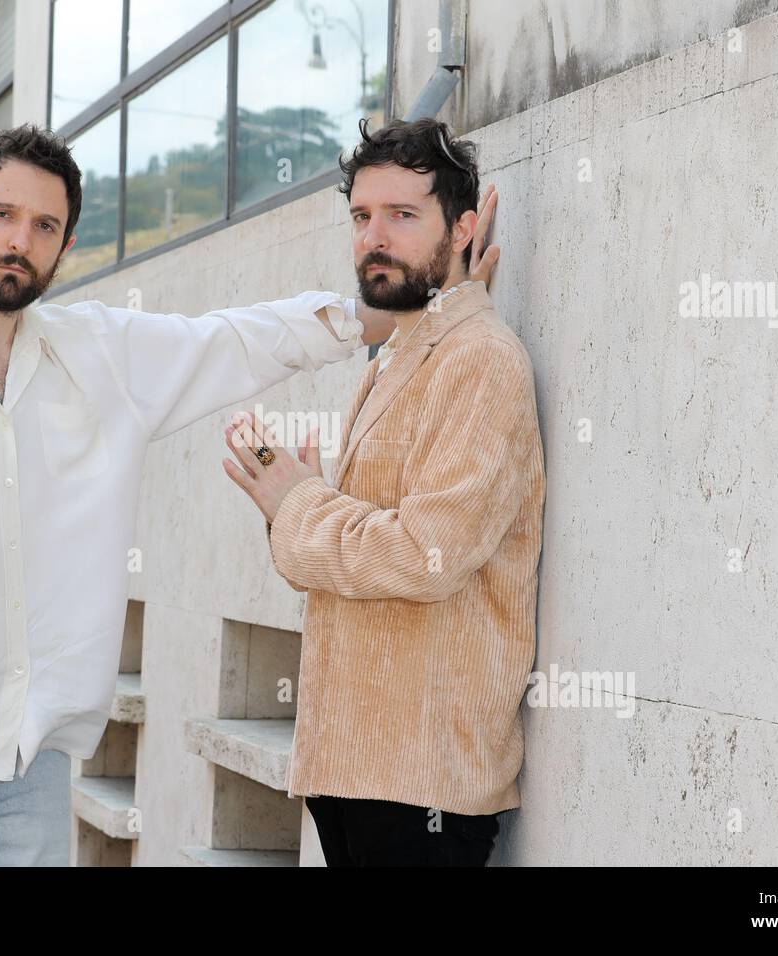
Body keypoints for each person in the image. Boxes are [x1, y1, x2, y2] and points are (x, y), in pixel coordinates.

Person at [0, 123, 497, 866]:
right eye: (2, 215)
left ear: (65, 245)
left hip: (28, 772)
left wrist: (437, 298)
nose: (21, 240)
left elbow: (245, 338)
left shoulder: (98, 355)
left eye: (45, 225)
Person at [221, 117, 544, 866]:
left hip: (420, 786)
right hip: (361, 770)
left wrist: (296, 505)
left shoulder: (483, 362)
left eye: (404, 215)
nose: (374, 236)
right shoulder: (410, 350)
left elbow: (423, 556)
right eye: (363, 216)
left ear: (462, 226)